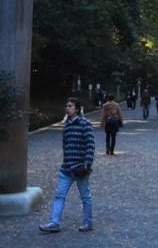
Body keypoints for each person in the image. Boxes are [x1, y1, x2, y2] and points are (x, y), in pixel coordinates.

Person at [40, 98, 96, 233]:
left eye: (70, 106)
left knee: (85, 196)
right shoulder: (67, 126)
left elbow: (90, 145)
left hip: (80, 168)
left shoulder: (85, 124)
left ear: (77, 108)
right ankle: (54, 223)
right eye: (66, 106)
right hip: (66, 168)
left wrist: (86, 165)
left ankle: (88, 222)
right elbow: (65, 145)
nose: (67, 108)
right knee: (59, 195)